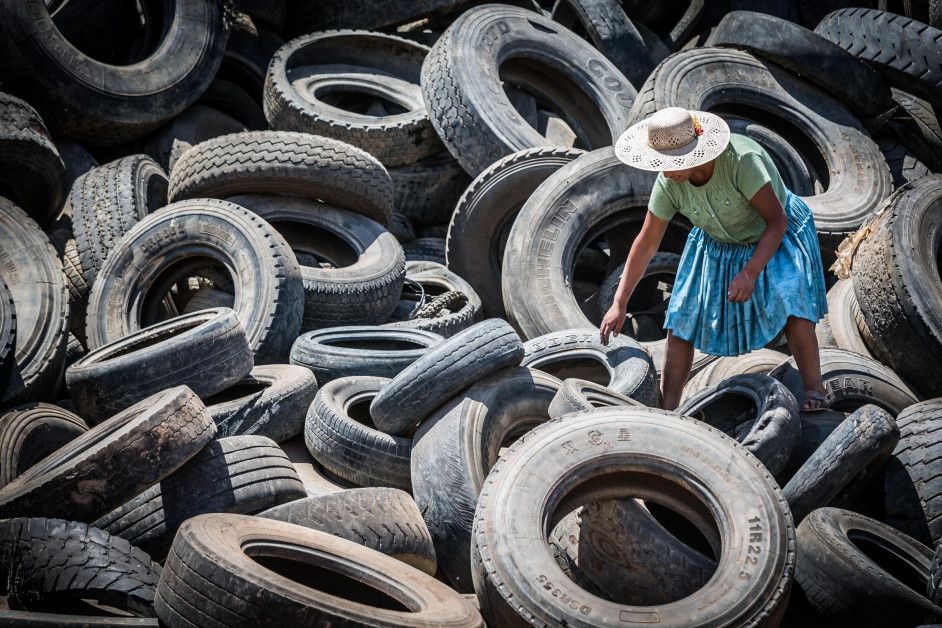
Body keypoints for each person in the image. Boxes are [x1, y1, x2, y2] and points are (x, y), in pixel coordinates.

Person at [599, 106, 828, 412]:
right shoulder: (670, 181)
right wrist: (619, 302)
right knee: (680, 319)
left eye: (672, 163)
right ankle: (668, 409)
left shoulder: (741, 162)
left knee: (793, 304)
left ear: (695, 154)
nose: (665, 171)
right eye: (662, 163)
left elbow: (777, 221)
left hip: (773, 234)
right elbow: (647, 242)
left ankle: (815, 389)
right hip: (718, 242)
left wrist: (750, 272)